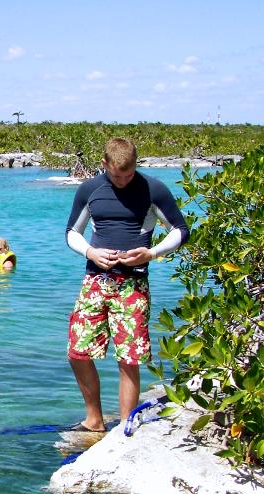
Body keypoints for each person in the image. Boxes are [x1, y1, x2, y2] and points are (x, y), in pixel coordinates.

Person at [64, 137, 189, 432]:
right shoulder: (90, 189)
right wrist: (90, 251)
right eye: (118, 175)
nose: (123, 180)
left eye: (129, 174)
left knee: (129, 356)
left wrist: (152, 252)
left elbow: (181, 231)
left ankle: (124, 426)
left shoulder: (153, 189)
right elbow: (72, 232)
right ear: (104, 165)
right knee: (77, 352)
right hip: (95, 280)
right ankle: (94, 420)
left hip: (133, 285)